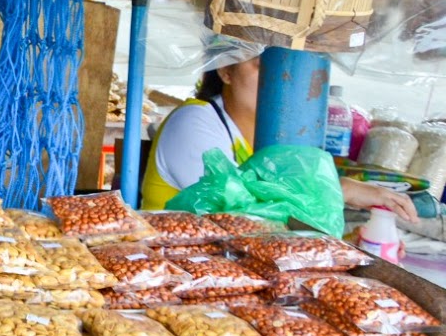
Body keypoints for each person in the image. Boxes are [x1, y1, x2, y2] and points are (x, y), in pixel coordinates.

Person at [141, 57, 419, 221]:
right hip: (172, 270)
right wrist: (340, 190)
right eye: (262, 66)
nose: (278, 79)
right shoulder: (194, 121)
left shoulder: (267, 138)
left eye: (284, 69)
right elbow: (239, 214)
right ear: (226, 71)